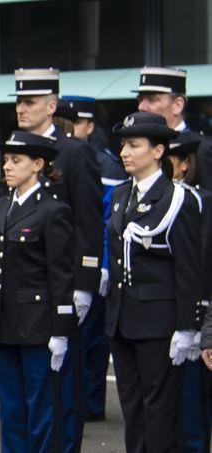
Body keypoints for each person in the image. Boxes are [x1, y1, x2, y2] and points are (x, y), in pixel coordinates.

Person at [13, 68, 104, 452]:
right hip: (24, 286)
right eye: (18, 101)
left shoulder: (74, 152)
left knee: (63, 385)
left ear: (52, 107)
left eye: (29, 102)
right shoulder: (17, 148)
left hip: (62, 282)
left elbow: (88, 220)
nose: (21, 108)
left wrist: (84, 284)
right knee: (27, 392)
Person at [106, 111, 202, 452]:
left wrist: (188, 327)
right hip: (122, 319)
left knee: (160, 412)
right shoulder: (120, 195)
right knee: (133, 410)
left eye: (134, 145)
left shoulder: (177, 199)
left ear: (159, 151)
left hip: (159, 323)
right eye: (123, 145)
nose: (125, 153)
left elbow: (189, 268)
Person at [0, 130, 77, 452]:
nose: (7, 166)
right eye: (6, 160)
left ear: (37, 164)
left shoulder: (52, 210)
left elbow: (61, 275)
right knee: (11, 411)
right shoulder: (1, 205)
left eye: (15, 160)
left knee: (42, 412)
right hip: (4, 324)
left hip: (37, 326)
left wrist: (61, 330)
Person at [55, 96, 126, 422]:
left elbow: (105, 219)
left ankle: (92, 402)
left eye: (76, 124)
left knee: (93, 340)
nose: (69, 131)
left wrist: (104, 266)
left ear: (90, 126)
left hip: (94, 261)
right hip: (75, 262)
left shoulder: (106, 163)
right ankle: (81, 400)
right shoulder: (61, 157)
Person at [165, 133, 212, 452]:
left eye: (168, 161)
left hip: (192, 311)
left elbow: (204, 262)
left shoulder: (201, 201)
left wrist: (202, 319)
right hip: (158, 313)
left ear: (184, 164)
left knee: (192, 409)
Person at [135, 66, 212, 191]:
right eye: (140, 99)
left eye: (152, 100)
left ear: (177, 105)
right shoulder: (138, 147)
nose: (141, 107)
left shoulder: (203, 149)